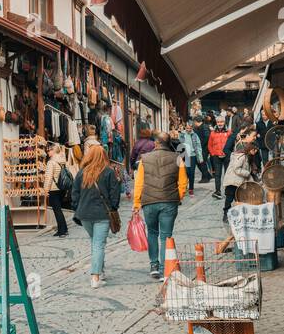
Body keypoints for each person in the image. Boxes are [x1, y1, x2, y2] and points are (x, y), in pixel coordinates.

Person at [132, 131, 187, 278]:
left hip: (149, 202)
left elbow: (139, 183)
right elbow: (183, 183)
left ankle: (154, 265)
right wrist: (178, 197)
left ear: (156, 143)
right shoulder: (178, 158)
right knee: (166, 236)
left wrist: (137, 202)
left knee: (152, 232)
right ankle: (164, 269)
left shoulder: (144, 159)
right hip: (169, 201)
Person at [72, 146, 123, 288]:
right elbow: (115, 193)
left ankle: (100, 270)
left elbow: (74, 193)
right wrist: (113, 207)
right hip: (102, 214)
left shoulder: (82, 172)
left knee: (95, 243)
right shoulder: (108, 172)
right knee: (98, 244)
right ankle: (95, 277)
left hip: (85, 214)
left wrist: (76, 207)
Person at [223, 133, 258, 222]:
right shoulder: (241, 156)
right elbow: (236, 169)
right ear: (250, 149)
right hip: (232, 181)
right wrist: (247, 173)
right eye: (254, 150)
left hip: (239, 182)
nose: (255, 152)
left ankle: (237, 215)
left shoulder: (248, 157)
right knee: (229, 199)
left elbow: (248, 174)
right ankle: (225, 215)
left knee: (239, 199)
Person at [45, 143, 71, 237]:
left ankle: (62, 230)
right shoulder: (62, 161)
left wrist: (46, 190)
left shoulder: (51, 162)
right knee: (59, 209)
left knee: (57, 210)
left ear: (53, 150)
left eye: (49, 150)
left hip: (54, 189)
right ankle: (63, 229)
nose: (47, 152)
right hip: (62, 188)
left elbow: (48, 177)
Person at [177, 123, 202, 198]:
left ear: (192, 128)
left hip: (193, 155)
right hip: (185, 156)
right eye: (187, 128)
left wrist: (200, 157)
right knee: (186, 172)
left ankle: (191, 189)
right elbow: (179, 145)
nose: (188, 130)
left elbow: (198, 146)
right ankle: (184, 186)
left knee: (192, 173)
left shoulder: (194, 135)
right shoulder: (182, 135)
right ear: (185, 128)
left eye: (190, 128)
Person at [208, 117, 230, 199]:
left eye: (221, 122)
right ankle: (218, 191)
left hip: (226, 156)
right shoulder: (212, 133)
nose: (220, 123)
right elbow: (209, 145)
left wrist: (229, 153)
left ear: (224, 122)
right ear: (216, 123)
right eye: (218, 122)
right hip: (216, 157)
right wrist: (213, 154)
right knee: (217, 175)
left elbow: (232, 144)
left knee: (227, 174)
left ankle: (228, 191)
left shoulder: (228, 132)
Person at [194, 116, 213, 183]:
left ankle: (205, 178)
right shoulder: (198, 127)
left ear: (196, 121)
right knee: (199, 162)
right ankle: (207, 175)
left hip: (204, 148)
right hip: (201, 148)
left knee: (202, 163)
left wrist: (201, 145)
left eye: (194, 122)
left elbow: (207, 137)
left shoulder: (204, 127)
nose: (194, 123)